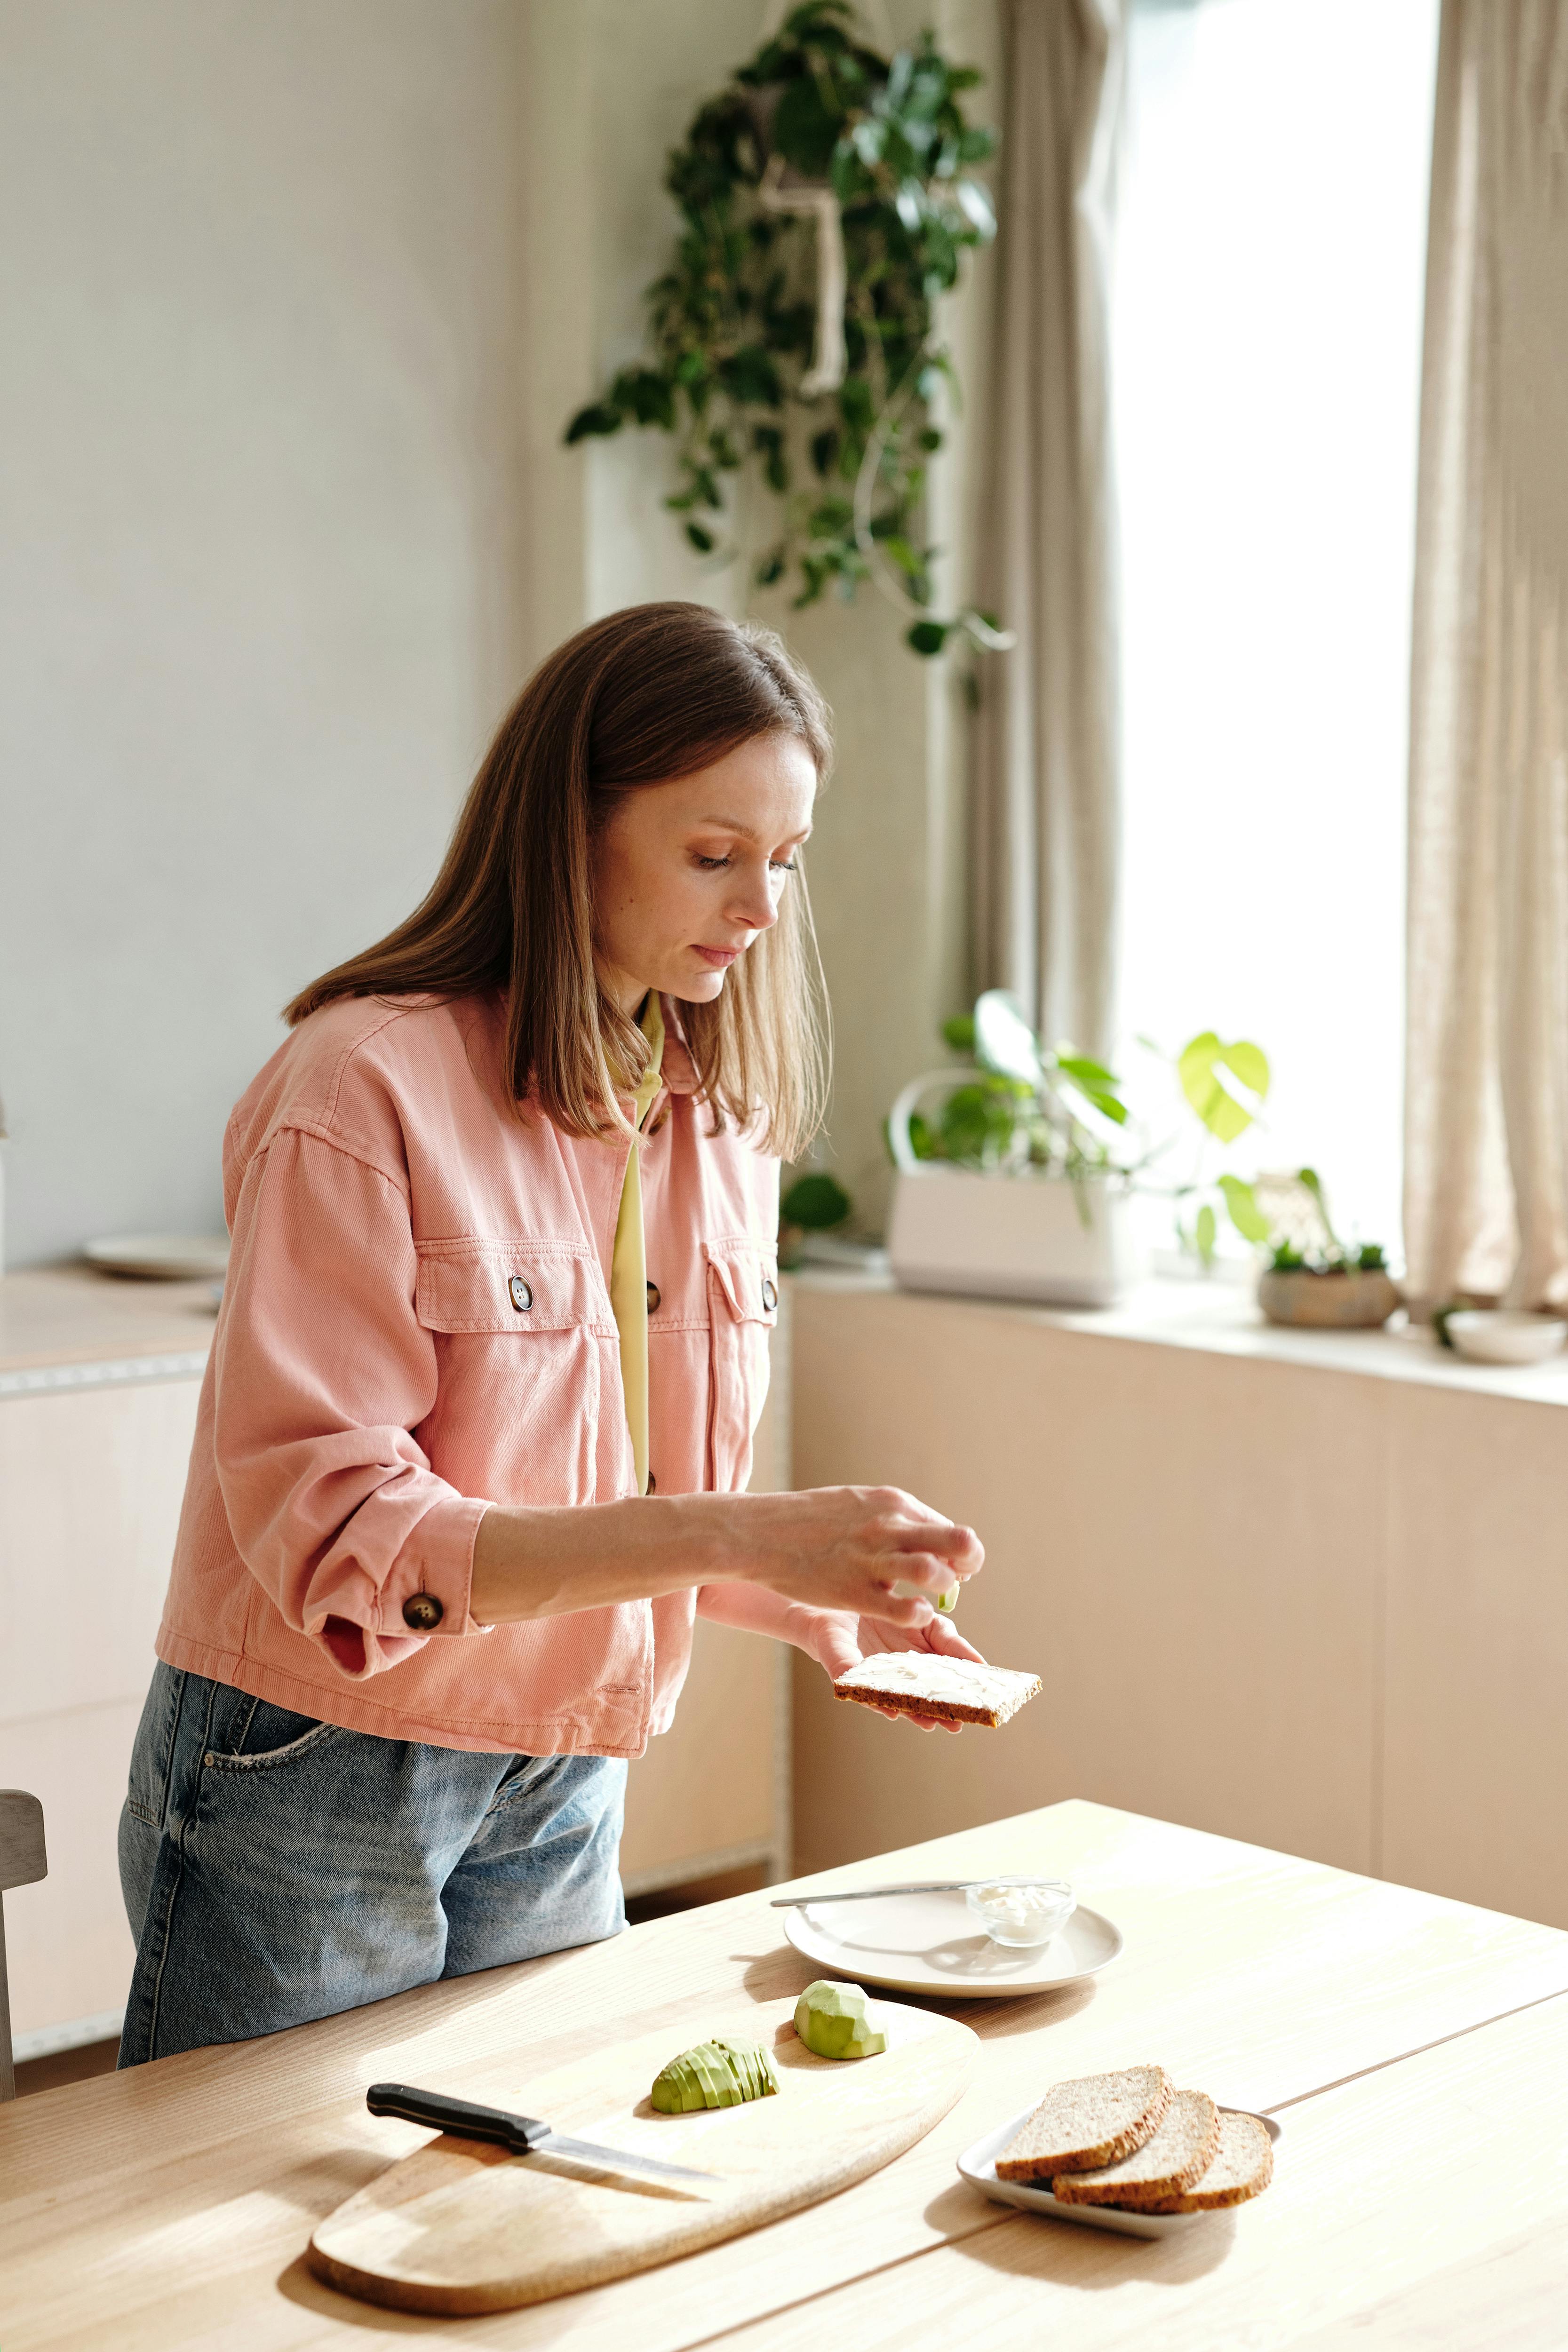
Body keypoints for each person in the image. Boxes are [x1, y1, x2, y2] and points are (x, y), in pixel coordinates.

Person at [117, 602, 985, 2066]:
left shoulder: (716, 1120)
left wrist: (813, 1603)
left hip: (565, 1762)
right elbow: (342, 1533)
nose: (760, 908)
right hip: (321, 1763)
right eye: (714, 855)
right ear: (566, 830)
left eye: (785, 861)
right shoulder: (360, 1089)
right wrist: (747, 1537)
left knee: (524, 2194)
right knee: (236, 2247)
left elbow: (602, 1494)